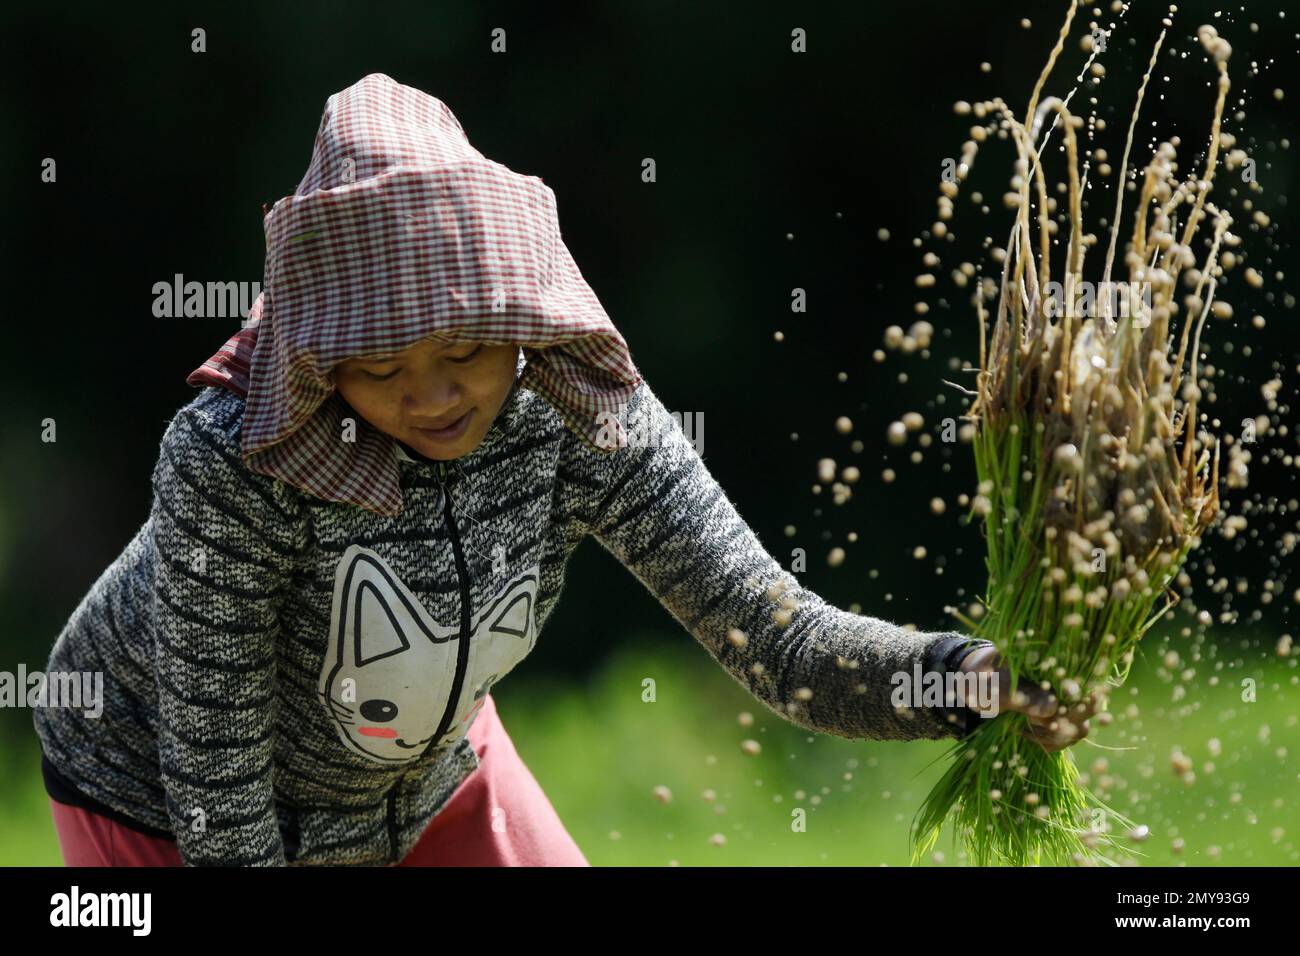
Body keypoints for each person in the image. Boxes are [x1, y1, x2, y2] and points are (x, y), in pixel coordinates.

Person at [32, 73, 1091, 868]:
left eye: (466, 354)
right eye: (385, 368)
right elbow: (220, 782)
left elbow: (780, 638)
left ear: (520, 321)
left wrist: (961, 678)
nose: (436, 397)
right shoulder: (236, 459)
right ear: (316, 359)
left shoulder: (577, 412)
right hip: (166, 793)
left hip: (428, 764)